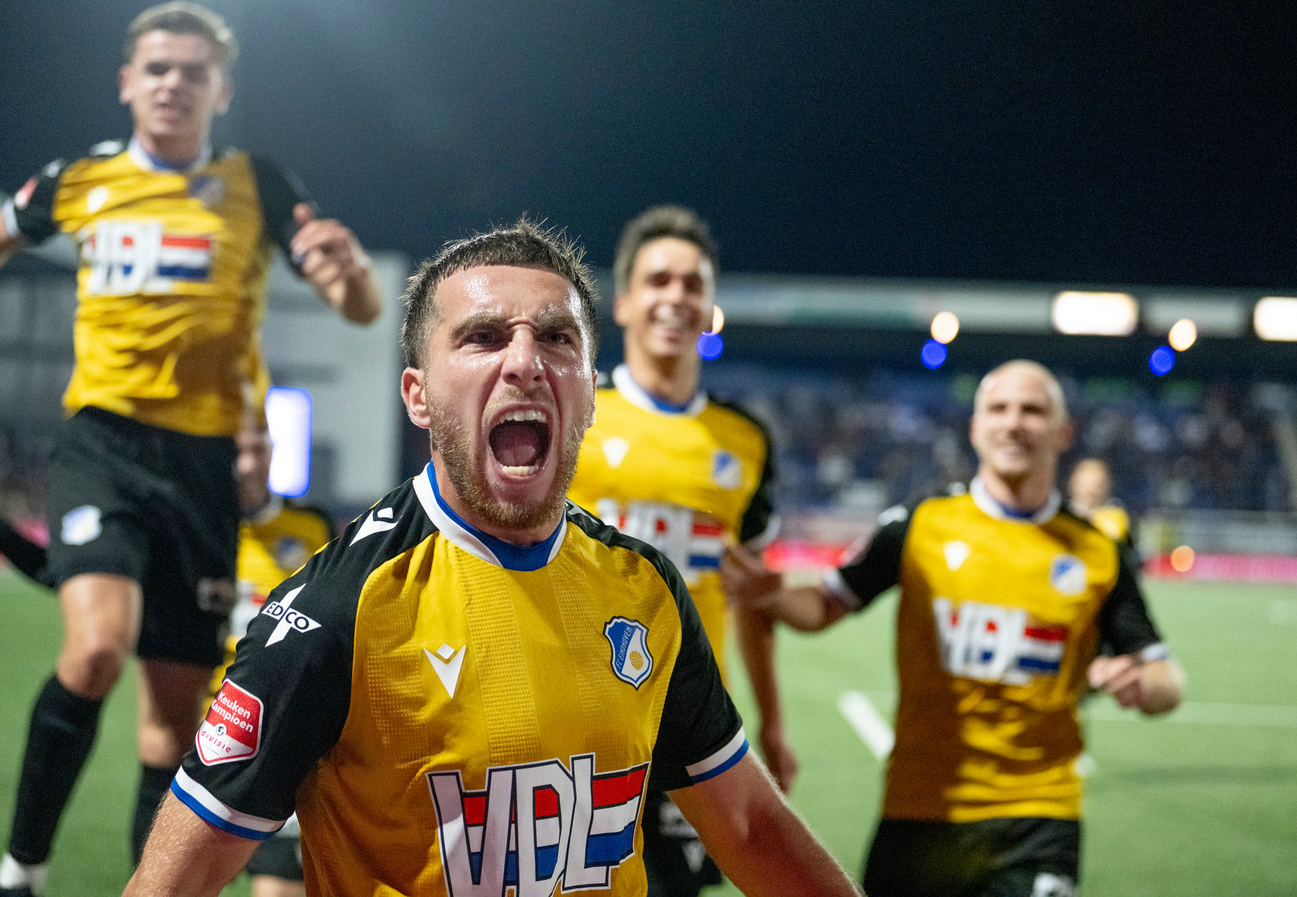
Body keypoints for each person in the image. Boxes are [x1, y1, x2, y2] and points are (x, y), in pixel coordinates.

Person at [123, 220, 863, 896]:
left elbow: (749, 828)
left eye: (557, 338)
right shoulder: (336, 611)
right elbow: (174, 880)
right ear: (417, 395)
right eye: (482, 337)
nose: (525, 362)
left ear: (590, 394)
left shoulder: (647, 590)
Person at [0, 3, 382, 894]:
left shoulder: (256, 183)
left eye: (192, 71)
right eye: (157, 69)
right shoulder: (77, 181)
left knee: (170, 725)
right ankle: (16, 876)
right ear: (126, 82)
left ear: (222, 90)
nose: (173, 84)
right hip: (102, 445)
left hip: (206, 468)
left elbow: (361, 308)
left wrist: (355, 283)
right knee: (98, 649)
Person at [724, 359, 1185, 897]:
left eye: (1032, 410)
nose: (1013, 423)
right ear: (975, 427)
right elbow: (825, 606)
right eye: (999, 408)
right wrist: (772, 593)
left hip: (1038, 816)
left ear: (1063, 432)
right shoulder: (923, 522)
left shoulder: (1098, 551)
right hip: (920, 809)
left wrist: (1146, 686)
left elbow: (1165, 676)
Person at [0, 421, 334, 897]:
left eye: (257, 447)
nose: (247, 463)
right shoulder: (181, 535)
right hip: (208, 742)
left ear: (274, 451)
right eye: (235, 451)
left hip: (280, 743)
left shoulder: (312, 530)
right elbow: (70, 573)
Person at [566, 205, 792, 896]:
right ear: (626, 302)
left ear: (710, 307)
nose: (677, 297)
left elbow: (753, 596)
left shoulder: (745, 441)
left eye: (693, 284)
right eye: (658, 280)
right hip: (574, 720)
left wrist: (773, 725)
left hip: (691, 725)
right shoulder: (575, 413)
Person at [1067, 457, 1133, 545]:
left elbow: (1114, 536)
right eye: (1086, 484)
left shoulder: (1115, 516)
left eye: (1096, 484)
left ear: (1106, 486)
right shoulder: (1060, 514)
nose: (1091, 490)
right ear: (1073, 483)